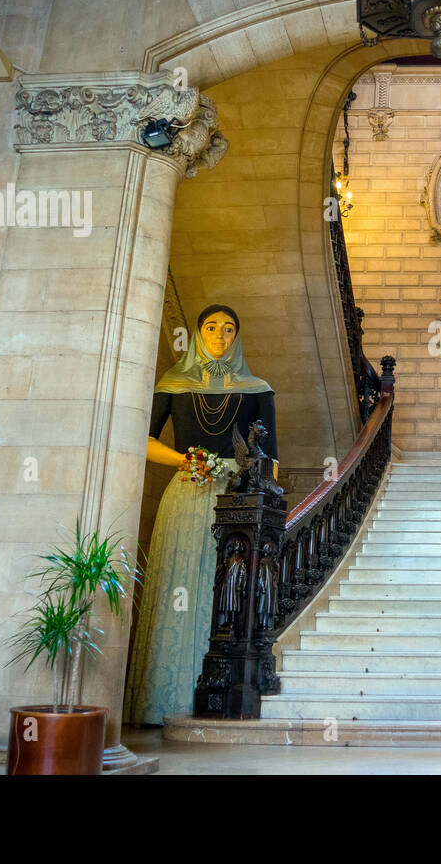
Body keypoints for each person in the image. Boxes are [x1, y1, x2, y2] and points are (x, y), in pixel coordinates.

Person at [123, 304, 278, 725]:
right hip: (185, 490)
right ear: (197, 333)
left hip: (235, 500)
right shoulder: (173, 383)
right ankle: (162, 700)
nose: (220, 334)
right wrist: (182, 460)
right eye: (212, 327)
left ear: (237, 338)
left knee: (223, 588)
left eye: (230, 328)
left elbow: (271, 460)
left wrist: (257, 495)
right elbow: (142, 439)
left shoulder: (258, 388)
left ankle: (218, 693)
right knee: (178, 581)